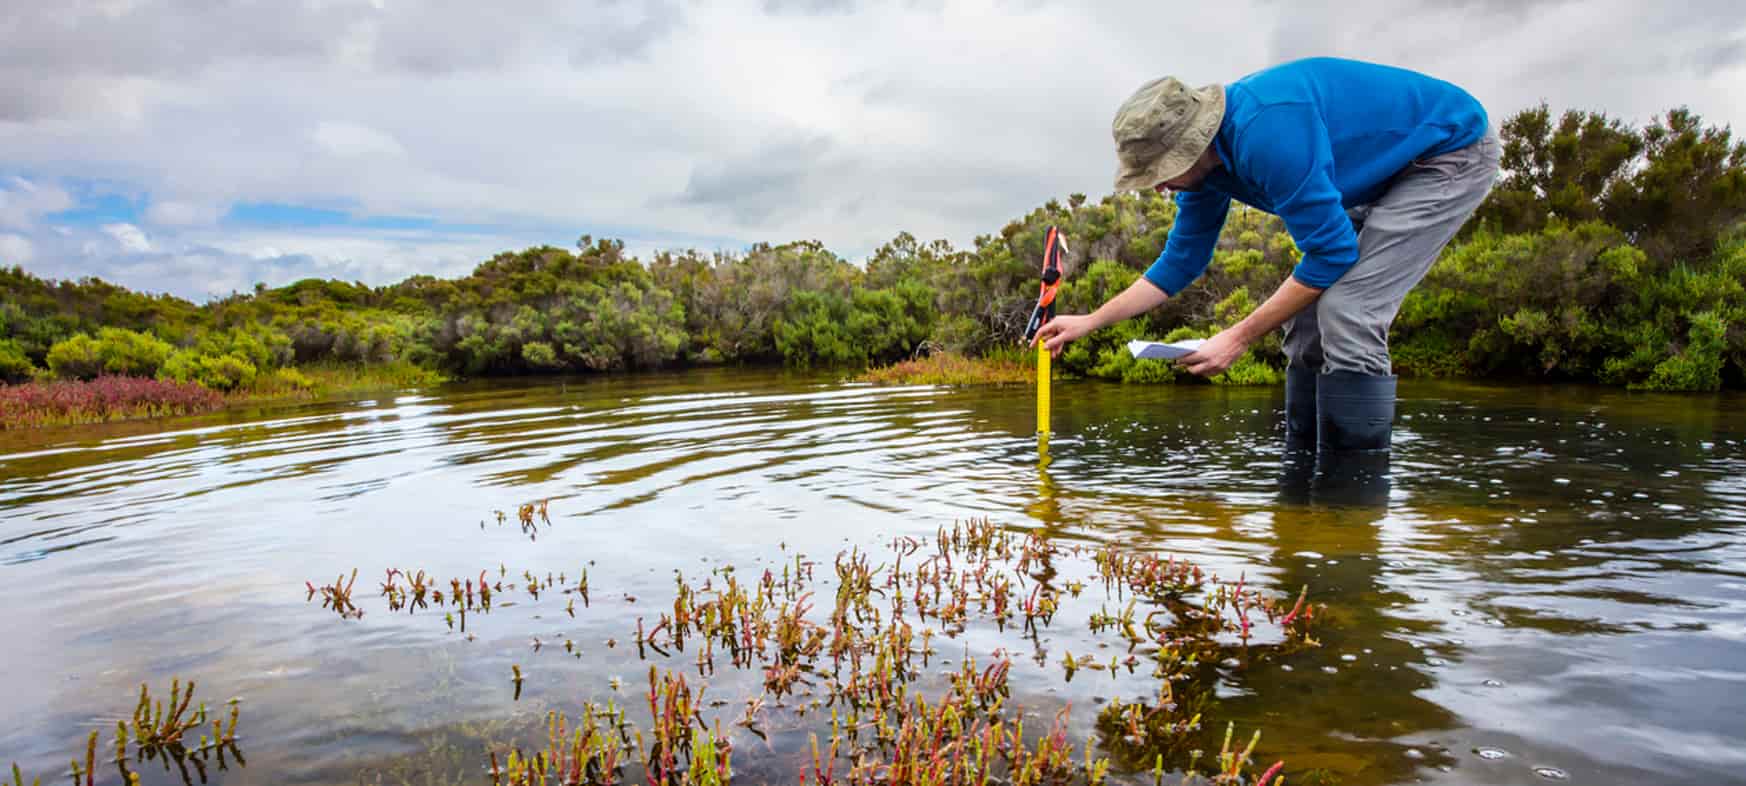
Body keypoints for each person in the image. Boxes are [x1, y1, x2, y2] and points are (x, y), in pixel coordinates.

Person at [1032, 57, 1500, 452]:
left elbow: (1332, 254)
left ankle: (1351, 501)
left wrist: (1238, 337)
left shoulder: (1268, 133)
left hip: (1446, 155)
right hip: (1378, 174)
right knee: (1307, 320)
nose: (1158, 184)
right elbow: (1181, 261)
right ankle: (1301, 484)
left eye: (1162, 169)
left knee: (1348, 310)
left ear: (1194, 144)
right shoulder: (1205, 172)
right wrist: (1091, 321)